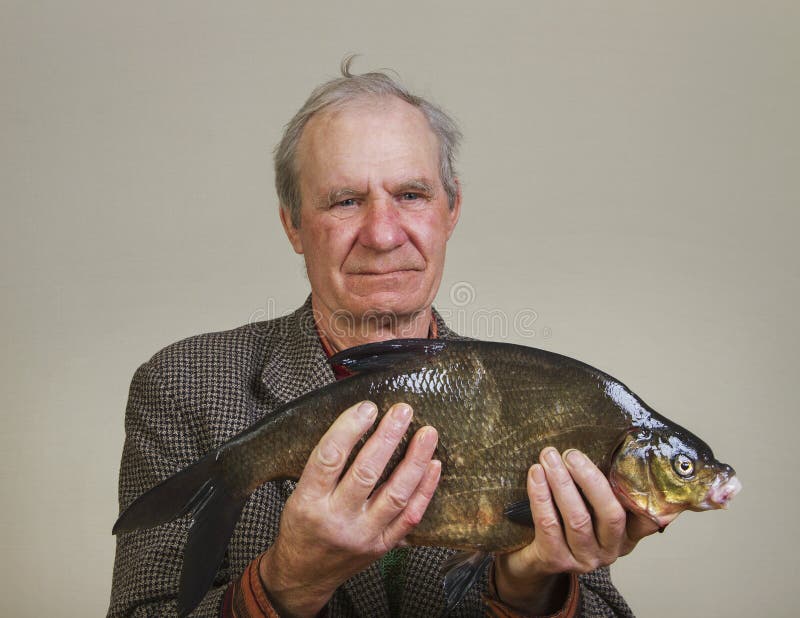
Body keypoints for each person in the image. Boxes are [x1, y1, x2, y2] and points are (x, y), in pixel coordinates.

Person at [109, 58, 662, 617]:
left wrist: (529, 588)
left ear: (452, 211)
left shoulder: (535, 397)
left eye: (412, 195)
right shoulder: (185, 385)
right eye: (345, 201)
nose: (381, 233)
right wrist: (287, 581)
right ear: (293, 225)